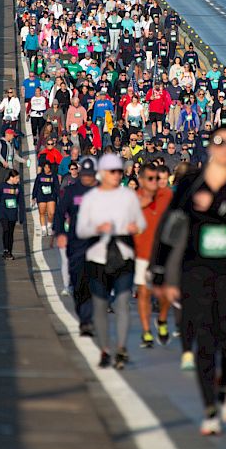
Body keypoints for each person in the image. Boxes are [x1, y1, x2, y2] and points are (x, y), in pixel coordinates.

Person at [151, 125, 226, 436]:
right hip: (195, 273)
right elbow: (170, 225)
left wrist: (218, 209)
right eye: (219, 143)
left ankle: (225, 383)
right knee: (204, 341)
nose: (225, 149)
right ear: (210, 147)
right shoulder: (189, 182)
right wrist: (159, 269)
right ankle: (210, 408)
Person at [77, 153, 145, 370]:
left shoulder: (128, 197)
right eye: (112, 171)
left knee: (123, 302)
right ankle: (105, 348)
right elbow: (80, 229)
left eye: (119, 171)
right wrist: (97, 228)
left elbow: (141, 223)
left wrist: (135, 228)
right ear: (102, 174)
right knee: (100, 305)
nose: (117, 175)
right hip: (97, 256)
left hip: (124, 254)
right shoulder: (91, 198)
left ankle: (121, 348)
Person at [54, 156, 98, 332]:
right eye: (85, 174)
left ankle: (88, 319)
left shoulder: (99, 192)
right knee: (78, 282)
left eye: (91, 175)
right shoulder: (72, 192)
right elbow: (59, 212)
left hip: (95, 243)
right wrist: (60, 234)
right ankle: (83, 315)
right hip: (75, 242)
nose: (88, 178)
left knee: (94, 282)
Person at [134, 162, 173, 348]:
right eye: (150, 178)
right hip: (142, 254)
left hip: (163, 253)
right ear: (141, 180)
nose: (154, 182)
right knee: (144, 292)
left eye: (156, 178)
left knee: (164, 293)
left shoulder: (167, 195)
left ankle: (163, 320)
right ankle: (146, 331)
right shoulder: (135, 198)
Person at [0, 169, 25, 260]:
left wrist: (21, 216)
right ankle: (5, 250)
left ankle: (9, 251)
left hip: (12, 213)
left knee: (11, 233)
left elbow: (21, 202)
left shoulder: (19, 188)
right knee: (6, 230)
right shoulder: (1, 187)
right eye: (16, 178)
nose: (18, 180)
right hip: (3, 213)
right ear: (11, 178)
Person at [32, 161, 60, 239]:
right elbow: (36, 187)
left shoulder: (54, 176)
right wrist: (33, 197)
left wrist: (59, 196)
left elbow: (57, 187)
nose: (46, 169)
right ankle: (44, 229)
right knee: (42, 212)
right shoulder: (40, 176)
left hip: (51, 196)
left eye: (47, 167)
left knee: (51, 212)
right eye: (45, 167)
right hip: (41, 196)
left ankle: (49, 226)